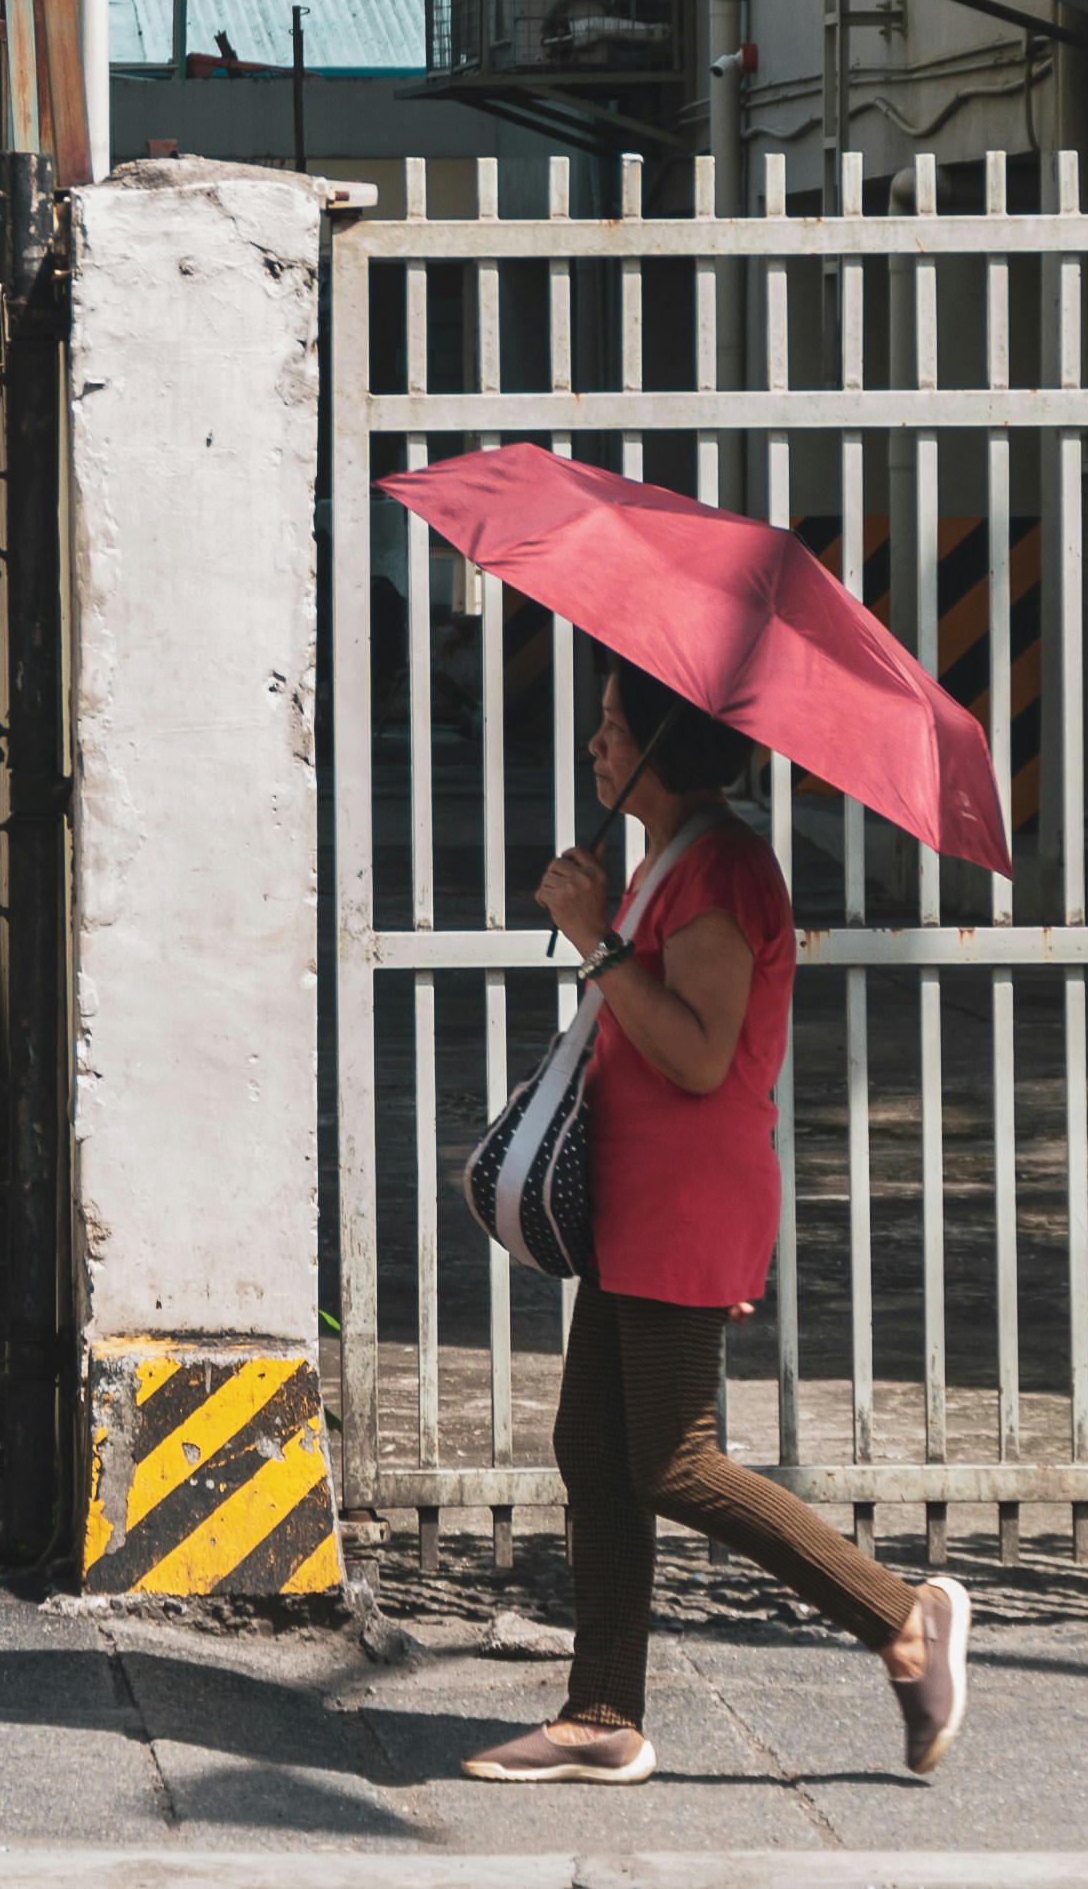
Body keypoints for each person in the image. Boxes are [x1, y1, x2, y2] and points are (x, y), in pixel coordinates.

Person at [459, 656, 970, 1786]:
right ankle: (600, 1714)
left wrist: (596, 938)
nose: (594, 745)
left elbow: (695, 1052)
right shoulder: (661, 862)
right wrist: (600, 919)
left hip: (684, 1199)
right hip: (637, 1193)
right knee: (592, 1448)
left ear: (663, 747)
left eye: (609, 726)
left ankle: (900, 1617)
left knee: (674, 1461)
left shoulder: (725, 869)